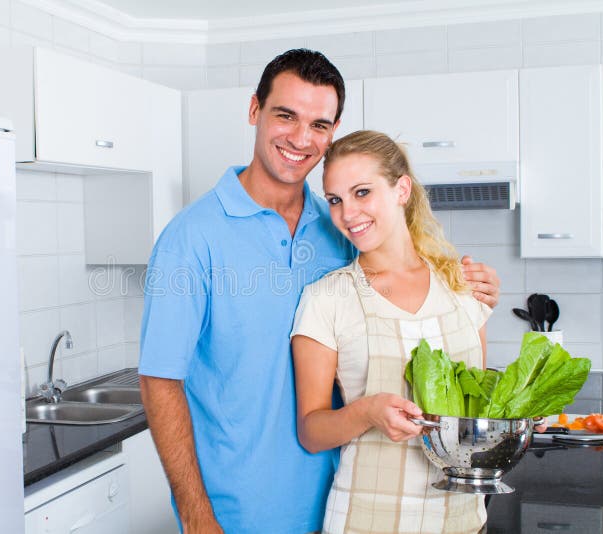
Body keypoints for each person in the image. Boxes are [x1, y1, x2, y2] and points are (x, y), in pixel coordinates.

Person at [139, 49, 501, 534]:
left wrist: (469, 284)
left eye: (318, 125)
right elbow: (160, 381)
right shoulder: (190, 239)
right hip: (239, 514)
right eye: (285, 115)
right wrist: (196, 516)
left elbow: (401, 289)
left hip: (341, 505)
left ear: (333, 131)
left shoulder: (340, 229)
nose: (300, 138)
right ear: (254, 110)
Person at [291, 130, 493, 534]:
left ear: (402, 190)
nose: (347, 213)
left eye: (362, 192)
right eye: (335, 199)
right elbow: (311, 432)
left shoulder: (461, 285)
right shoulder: (327, 298)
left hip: (463, 520)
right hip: (366, 520)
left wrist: (519, 418)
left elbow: (478, 407)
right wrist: (367, 412)